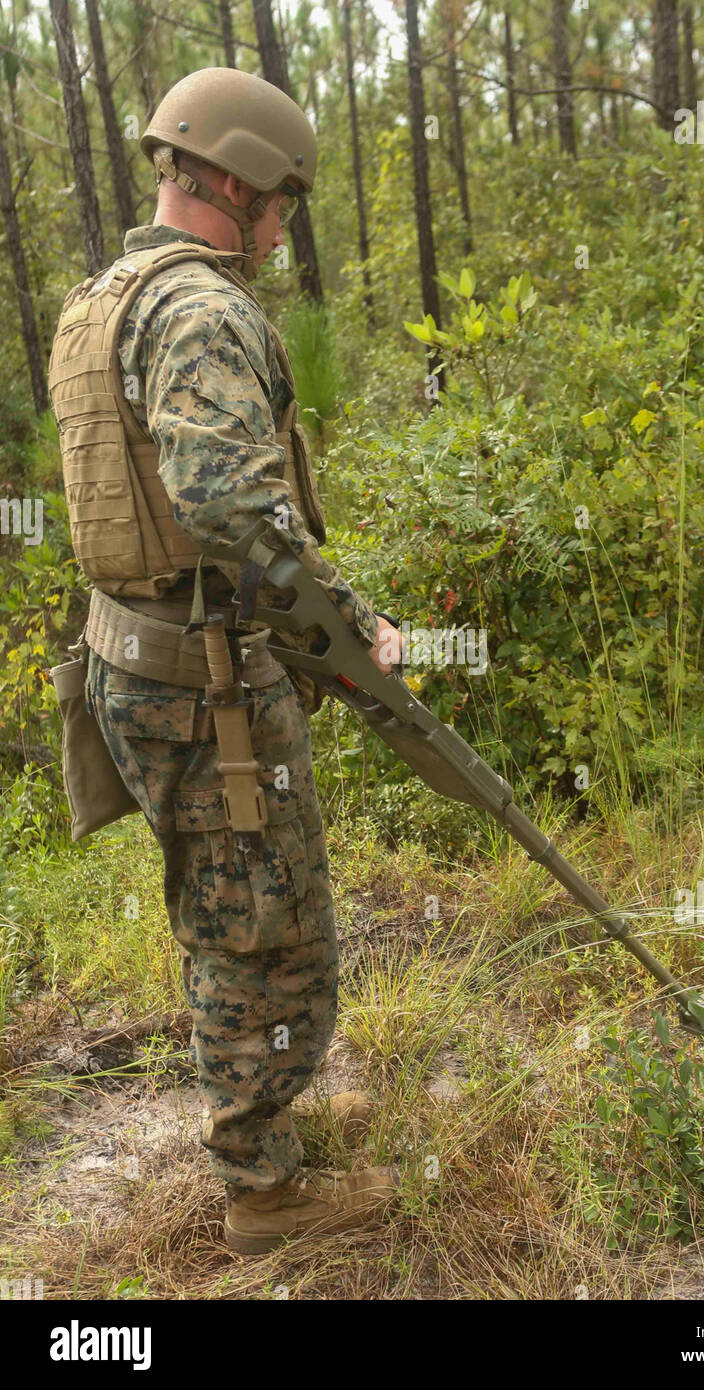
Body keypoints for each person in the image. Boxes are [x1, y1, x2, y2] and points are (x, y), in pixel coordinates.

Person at [47, 66, 402, 1255]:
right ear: (241, 184)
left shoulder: (100, 297)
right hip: (206, 686)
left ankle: (263, 1128)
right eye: (285, 201)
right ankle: (266, 1197)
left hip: (131, 659)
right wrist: (350, 635)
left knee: (218, 908)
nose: (284, 225)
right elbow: (231, 514)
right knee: (269, 926)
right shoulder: (198, 310)